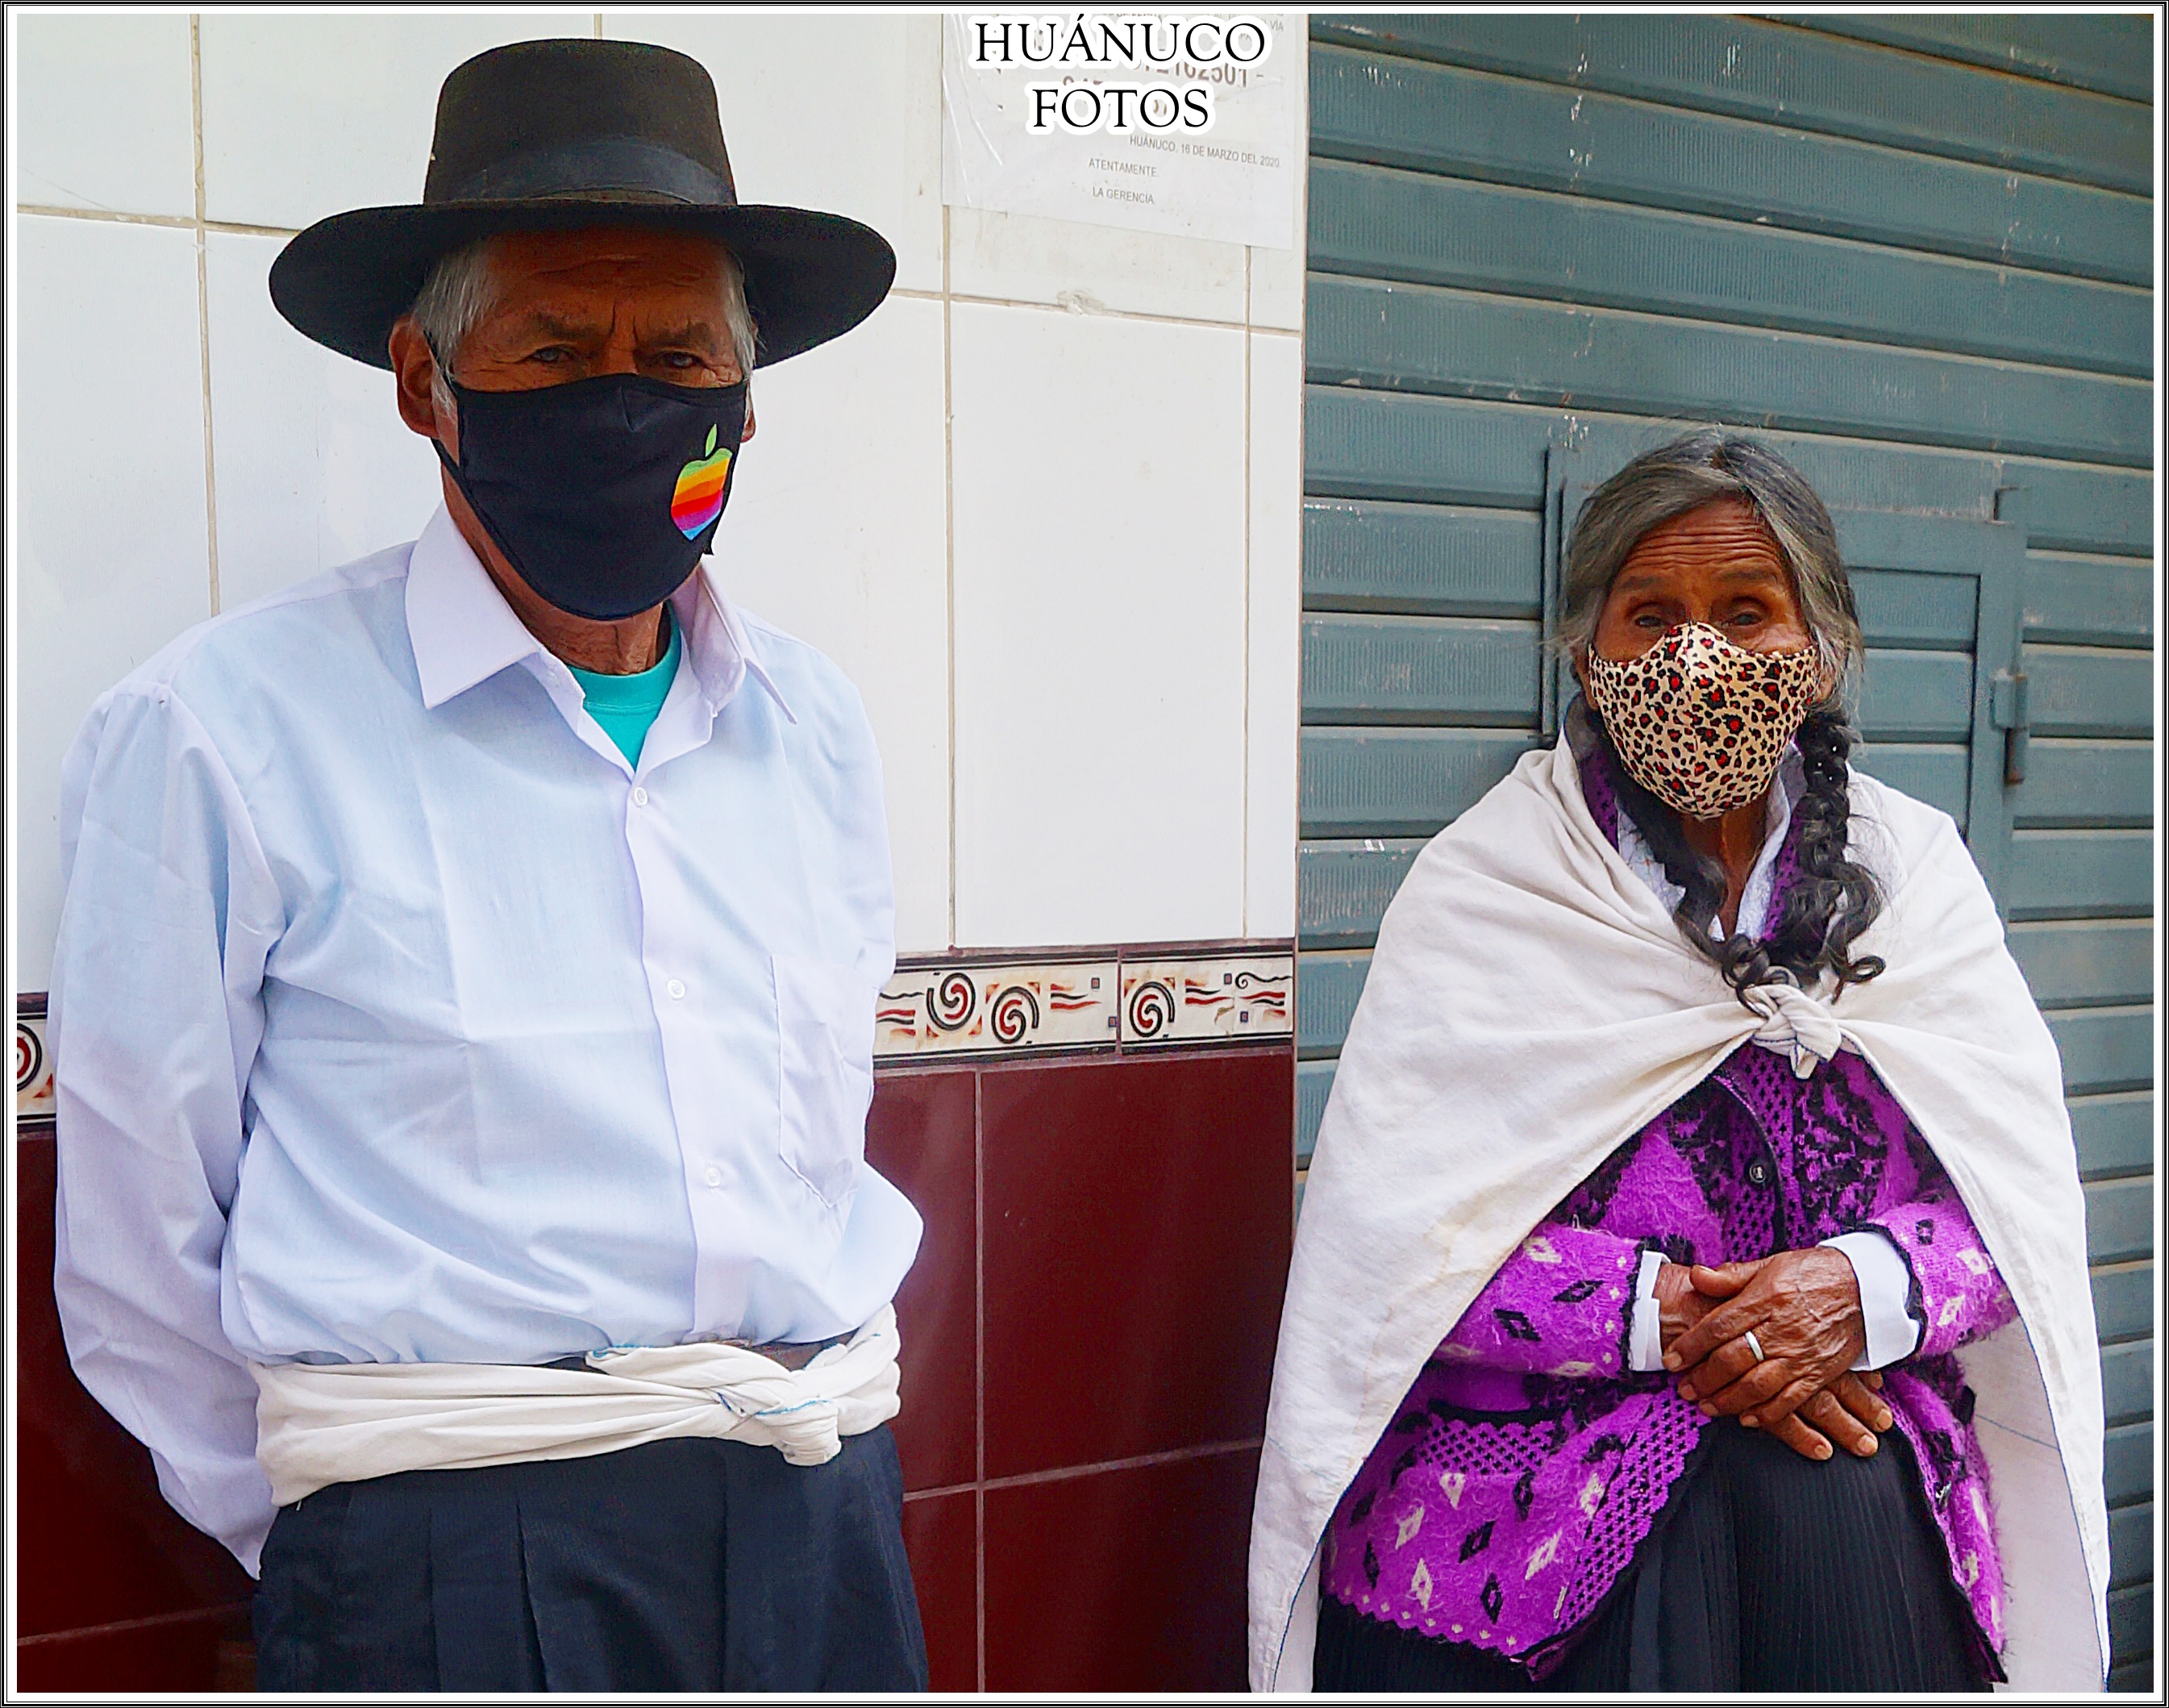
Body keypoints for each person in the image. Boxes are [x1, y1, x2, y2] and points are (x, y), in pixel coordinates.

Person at [48, 38, 929, 1692]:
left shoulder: (812, 728)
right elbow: (135, 1236)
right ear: (419, 379)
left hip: (823, 1526)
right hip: (446, 1555)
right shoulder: (224, 730)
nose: (624, 397)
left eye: (677, 352)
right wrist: (365, 1529)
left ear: (744, 395)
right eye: (554, 347)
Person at [1248, 431, 2109, 1692]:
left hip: (1853, 1535)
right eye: (1648, 615)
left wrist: (1854, 1289)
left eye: (1744, 610)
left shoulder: (1915, 878)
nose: (1692, 655)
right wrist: (1689, 1323)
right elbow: (1392, 1245)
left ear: (1818, 651)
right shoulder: (1492, 884)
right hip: (1517, 1542)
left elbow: (2015, 1209)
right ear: (1586, 660)